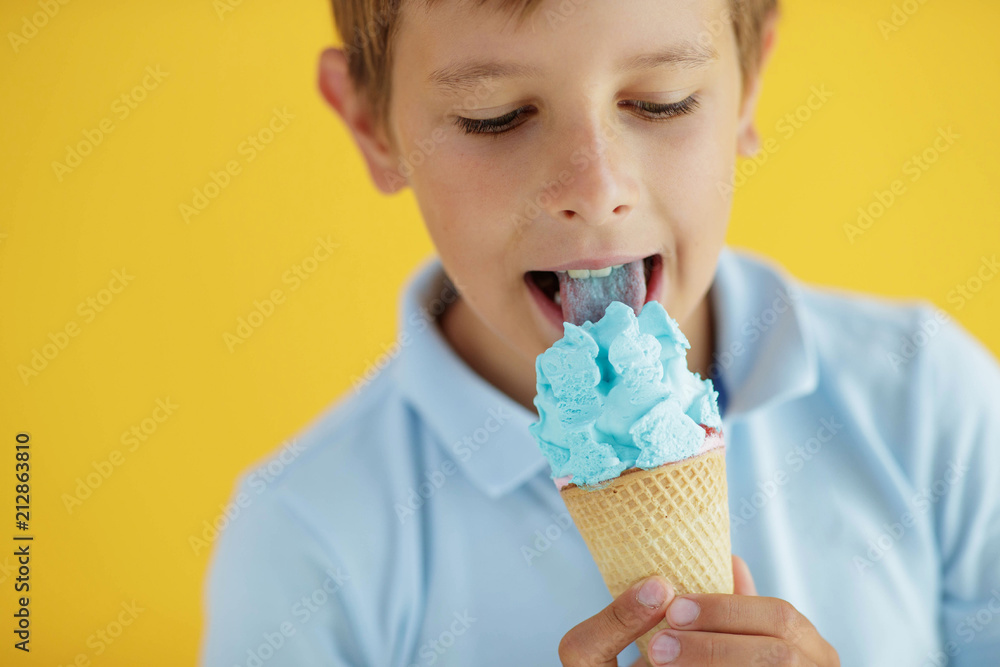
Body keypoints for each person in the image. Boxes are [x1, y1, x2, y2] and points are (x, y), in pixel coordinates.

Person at [200, 0, 1000, 664]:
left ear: (750, 81)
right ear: (373, 124)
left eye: (662, 100)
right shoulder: (306, 536)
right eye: (496, 117)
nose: (597, 187)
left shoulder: (928, 401)